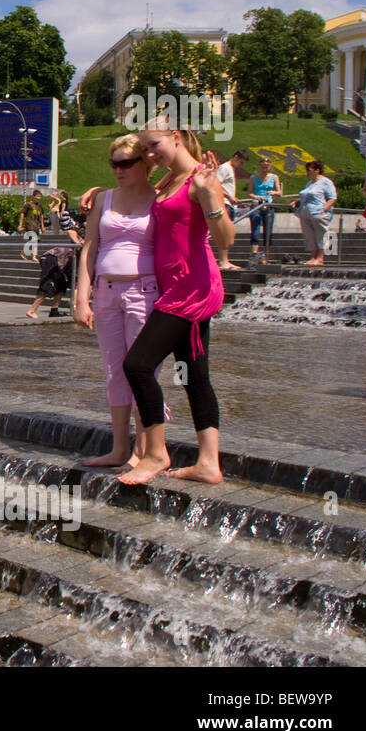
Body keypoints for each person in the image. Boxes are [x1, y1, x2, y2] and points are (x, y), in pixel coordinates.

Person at [117, 118, 233, 486]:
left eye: (155, 145)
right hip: (175, 287)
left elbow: (226, 239)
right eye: (145, 149)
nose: (150, 154)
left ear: (177, 137)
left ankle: (155, 453)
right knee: (194, 375)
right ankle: (208, 463)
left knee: (136, 364)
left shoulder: (202, 178)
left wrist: (210, 195)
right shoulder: (168, 180)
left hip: (192, 288)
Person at [73, 136, 170, 469]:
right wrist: (80, 297)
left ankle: (144, 451)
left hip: (145, 292)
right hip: (105, 292)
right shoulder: (104, 199)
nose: (118, 170)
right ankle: (118, 448)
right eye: (114, 163)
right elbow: (90, 247)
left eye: (126, 163)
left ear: (147, 164)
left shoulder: (161, 199)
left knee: (143, 371)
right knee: (115, 371)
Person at [290, 160, 336, 267]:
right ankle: (313, 257)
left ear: (317, 170)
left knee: (321, 234)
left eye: (309, 169)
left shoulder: (326, 182)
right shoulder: (310, 183)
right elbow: (306, 196)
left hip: (318, 212)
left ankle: (320, 258)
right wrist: (297, 202)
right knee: (309, 235)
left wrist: (323, 209)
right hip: (305, 212)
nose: (307, 172)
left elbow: (332, 198)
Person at [214, 149, 247, 270]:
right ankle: (223, 261)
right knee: (224, 232)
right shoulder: (225, 168)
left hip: (229, 203)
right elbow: (215, 184)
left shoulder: (229, 169)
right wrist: (229, 196)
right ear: (236, 157)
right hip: (225, 204)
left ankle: (225, 259)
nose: (241, 166)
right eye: (241, 162)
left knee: (227, 233)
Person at [247, 158, 281, 266]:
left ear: (270, 167)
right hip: (257, 204)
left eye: (266, 167)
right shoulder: (254, 177)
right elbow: (250, 193)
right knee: (255, 231)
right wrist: (257, 196)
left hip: (268, 204)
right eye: (262, 167)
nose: (264, 169)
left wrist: (273, 192)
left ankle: (266, 257)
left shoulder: (274, 177)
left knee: (268, 232)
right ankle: (254, 256)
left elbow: (279, 192)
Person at [24, 246, 74, 319]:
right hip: (51, 258)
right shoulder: (80, 256)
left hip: (57, 261)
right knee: (48, 284)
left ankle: (54, 310)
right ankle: (31, 311)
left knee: (61, 284)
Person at [18, 190, 44, 260]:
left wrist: (42, 226)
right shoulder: (28, 205)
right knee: (33, 240)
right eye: (37, 196)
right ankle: (34, 256)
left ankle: (24, 252)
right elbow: (22, 214)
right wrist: (20, 225)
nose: (39, 198)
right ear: (33, 196)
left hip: (36, 226)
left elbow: (41, 216)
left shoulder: (40, 206)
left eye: (40, 196)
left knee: (35, 240)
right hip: (29, 225)